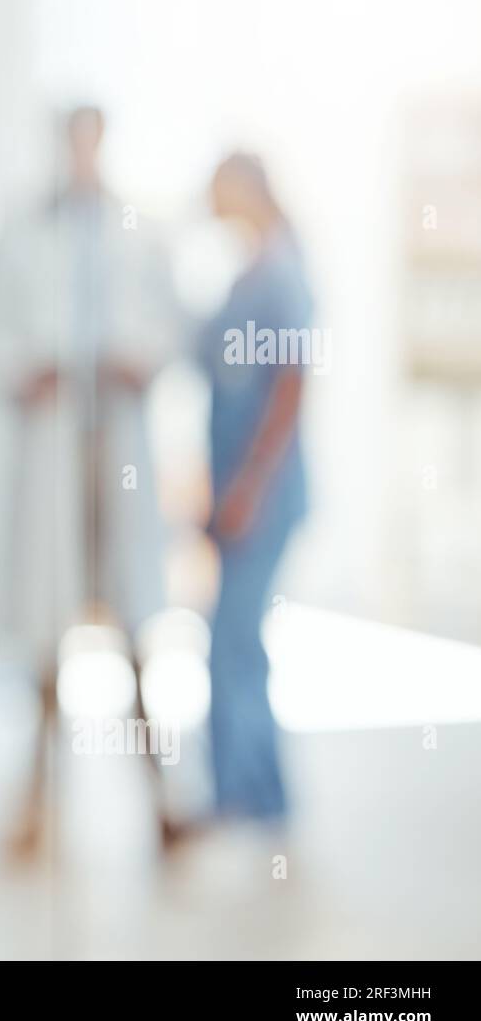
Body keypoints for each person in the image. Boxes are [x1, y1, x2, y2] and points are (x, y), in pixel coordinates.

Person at [0, 106, 183, 860]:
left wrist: (143, 357)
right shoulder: (23, 233)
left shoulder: (137, 231)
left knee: (133, 634)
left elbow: (170, 324)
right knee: (47, 641)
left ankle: (163, 803)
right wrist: (22, 370)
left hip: (115, 445)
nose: (81, 154)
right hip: (51, 443)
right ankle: (35, 806)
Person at [178, 152, 311, 836]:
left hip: (260, 495)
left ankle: (240, 801)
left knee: (230, 642)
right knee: (237, 641)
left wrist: (251, 487)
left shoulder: (282, 271)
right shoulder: (248, 273)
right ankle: (262, 799)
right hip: (236, 490)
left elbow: (291, 384)